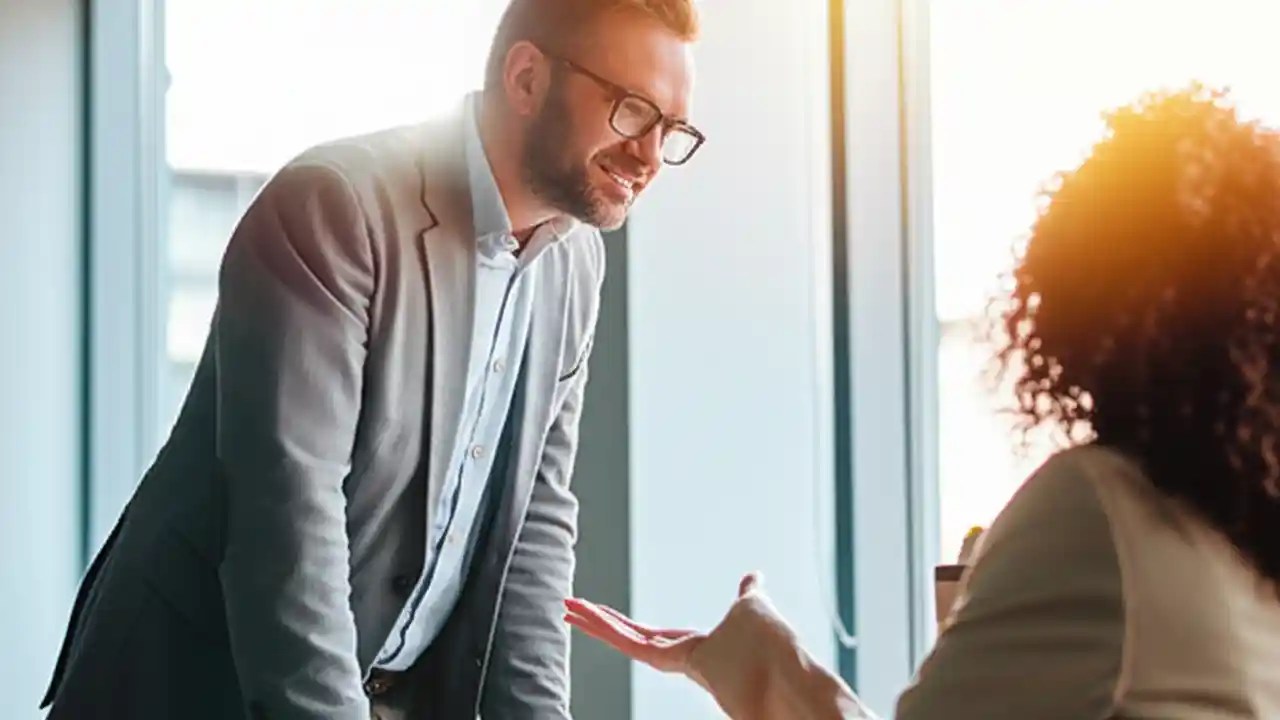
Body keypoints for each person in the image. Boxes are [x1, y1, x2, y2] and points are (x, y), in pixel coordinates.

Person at [41, 1, 702, 718]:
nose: (648, 156)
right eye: (632, 111)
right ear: (525, 78)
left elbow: (532, 527)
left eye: (671, 131)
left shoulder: (573, 264)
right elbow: (290, 531)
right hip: (191, 687)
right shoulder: (333, 208)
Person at [566, 85, 1280, 719]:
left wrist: (754, 659)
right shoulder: (1242, 521)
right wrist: (749, 658)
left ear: (1088, 298)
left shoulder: (1100, 511)